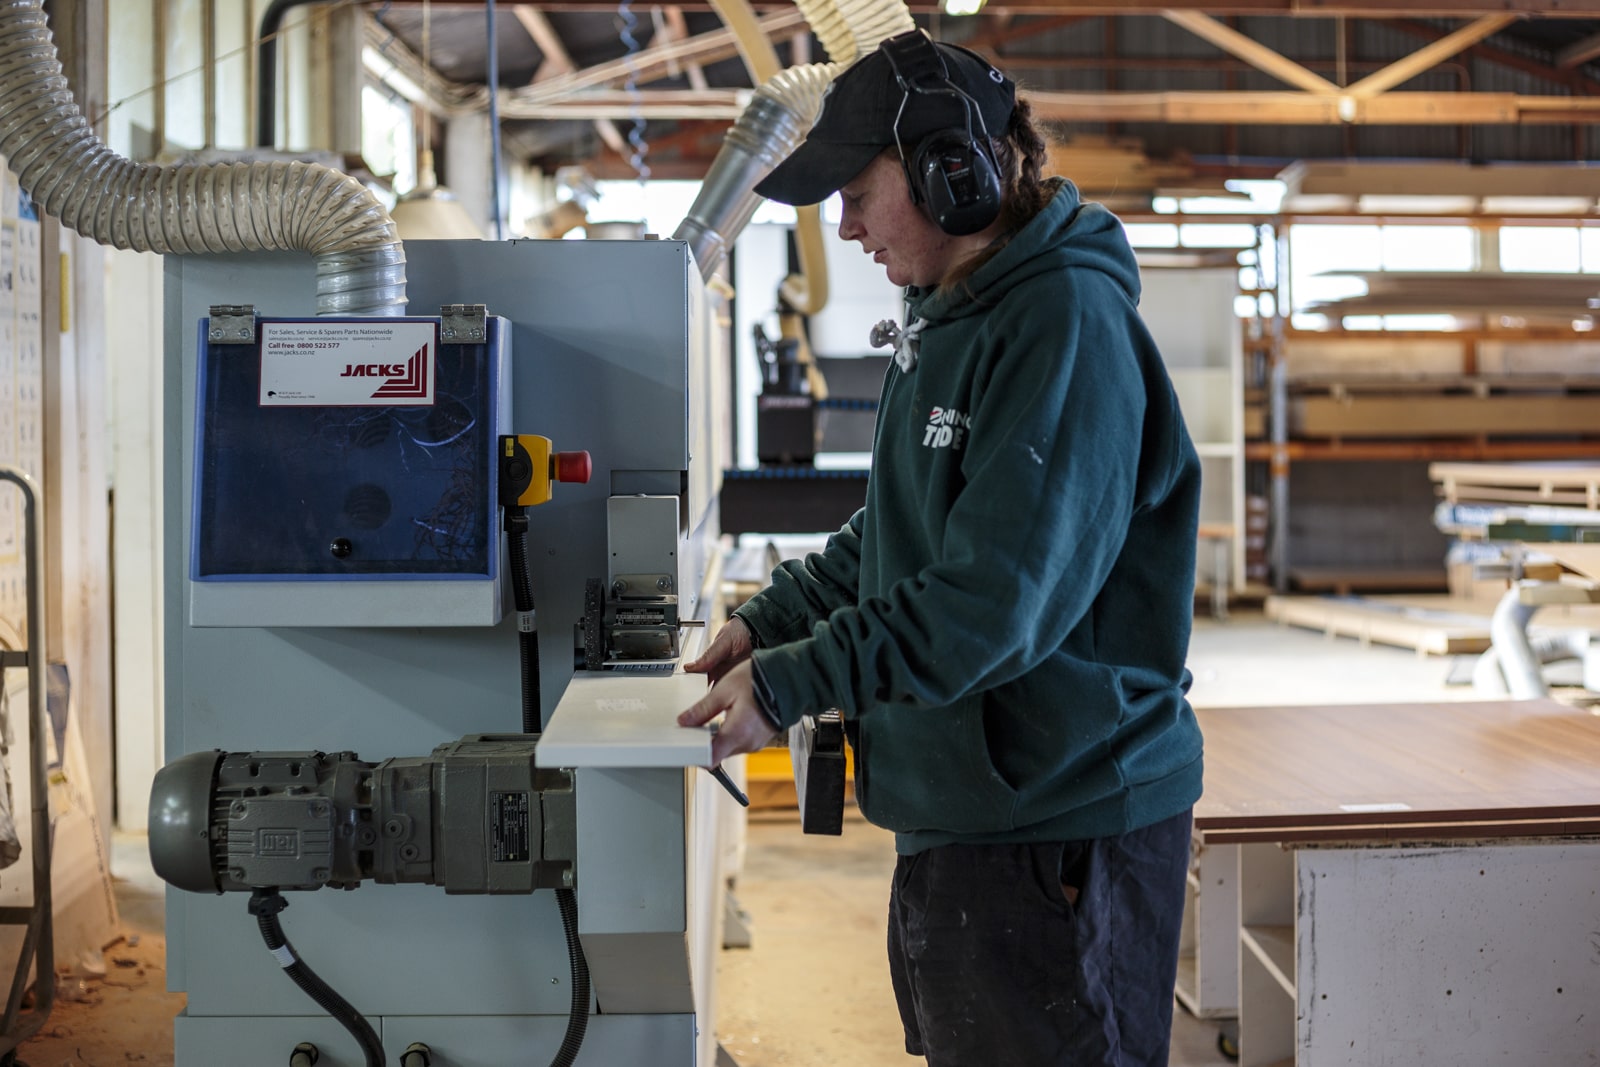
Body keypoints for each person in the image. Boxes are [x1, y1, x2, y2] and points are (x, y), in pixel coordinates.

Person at [678, 28, 1204, 1067]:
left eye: (858, 191)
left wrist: (796, 682)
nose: (846, 224)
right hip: (970, 806)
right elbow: (901, 526)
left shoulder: (1063, 324)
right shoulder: (950, 313)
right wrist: (767, 620)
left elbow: (991, 599)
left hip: (1055, 819)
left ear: (949, 168)